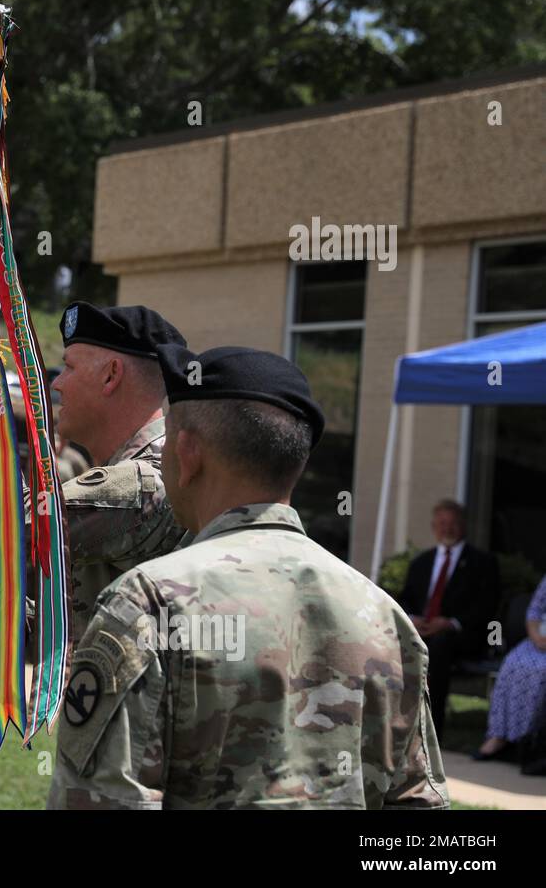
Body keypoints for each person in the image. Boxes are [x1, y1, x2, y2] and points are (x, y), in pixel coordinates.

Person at [52, 344, 448, 809]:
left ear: (187, 452)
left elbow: (100, 799)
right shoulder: (386, 616)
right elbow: (419, 803)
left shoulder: (148, 603)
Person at [0, 302, 191, 643]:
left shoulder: (141, 482)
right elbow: (97, 628)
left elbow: (6, 525)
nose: (57, 384)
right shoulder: (144, 469)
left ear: (111, 375)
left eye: (69, 368)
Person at [398, 499, 501, 738]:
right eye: (442, 523)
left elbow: (487, 606)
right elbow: (405, 599)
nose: (448, 528)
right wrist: (413, 619)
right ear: (434, 526)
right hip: (421, 630)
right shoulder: (421, 562)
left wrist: (451, 622)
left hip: (460, 636)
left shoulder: (482, 563)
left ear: (463, 526)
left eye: (453, 523)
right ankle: (395, 720)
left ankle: (432, 728)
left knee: (439, 645)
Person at [475, 576, 546, 761]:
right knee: (513, 664)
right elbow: (534, 612)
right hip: (538, 641)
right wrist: (537, 637)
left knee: (540, 670)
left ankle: (528, 739)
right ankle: (498, 735)